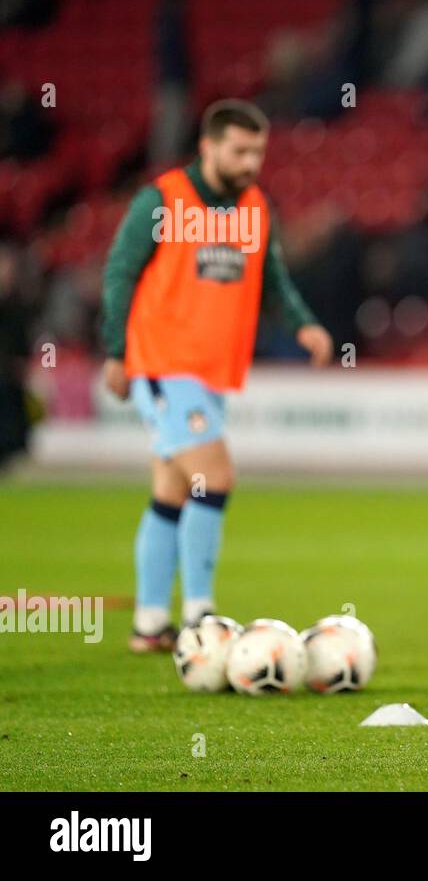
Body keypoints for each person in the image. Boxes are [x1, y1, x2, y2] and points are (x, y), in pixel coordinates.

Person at [100, 99, 332, 652]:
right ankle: (201, 616)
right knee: (216, 476)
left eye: (258, 151)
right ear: (208, 147)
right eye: (241, 150)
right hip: (164, 362)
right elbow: (119, 272)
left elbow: (272, 278)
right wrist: (115, 352)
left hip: (213, 373)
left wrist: (304, 326)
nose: (252, 162)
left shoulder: (254, 205)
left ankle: (150, 623)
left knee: (171, 491)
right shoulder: (160, 200)